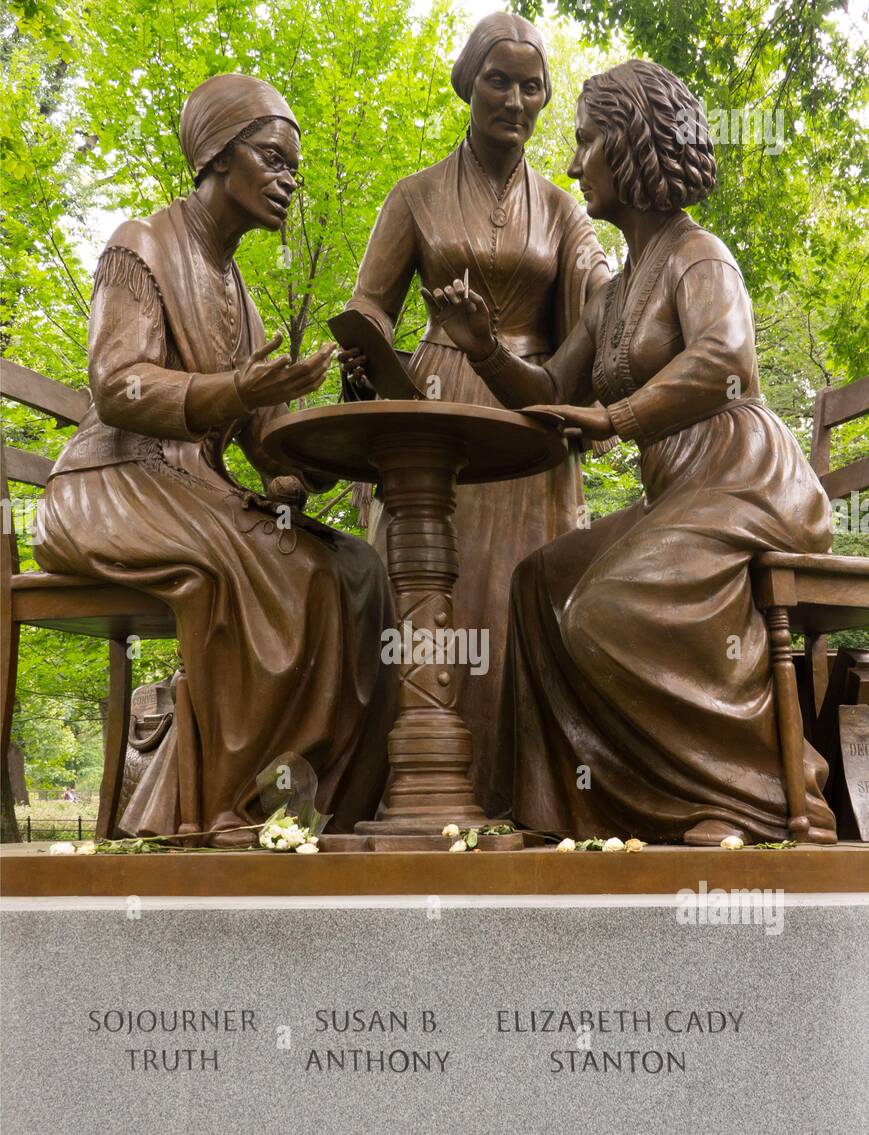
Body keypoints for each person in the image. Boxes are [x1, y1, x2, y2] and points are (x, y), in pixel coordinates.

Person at [422, 59, 837, 845]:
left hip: (744, 481)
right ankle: (566, 811)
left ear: (631, 144)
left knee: (606, 611)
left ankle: (751, 800)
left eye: (585, 143)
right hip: (679, 494)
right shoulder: (613, 292)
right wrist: (480, 350)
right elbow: (547, 384)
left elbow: (722, 362)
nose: (573, 163)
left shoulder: (697, 253)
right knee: (540, 585)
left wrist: (616, 417)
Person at [33, 74, 396, 846]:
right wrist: (233, 388)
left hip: (188, 487)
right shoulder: (142, 244)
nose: (288, 180)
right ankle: (224, 803)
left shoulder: (242, 291)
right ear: (215, 157)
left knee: (357, 570)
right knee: (274, 566)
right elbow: (120, 383)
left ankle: (309, 804)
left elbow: (269, 447)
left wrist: (339, 420)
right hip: (109, 483)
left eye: (292, 165)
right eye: (272, 159)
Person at [337, 12, 610, 810]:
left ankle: (519, 797)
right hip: (433, 405)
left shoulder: (564, 211)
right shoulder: (414, 194)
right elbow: (370, 306)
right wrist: (366, 350)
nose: (515, 100)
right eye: (499, 80)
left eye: (532, 86)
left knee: (517, 592)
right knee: (422, 589)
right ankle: (419, 788)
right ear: (468, 84)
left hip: (527, 412)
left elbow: (595, 305)